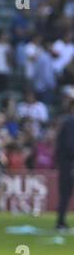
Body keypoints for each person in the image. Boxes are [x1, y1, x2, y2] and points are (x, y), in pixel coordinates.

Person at [55, 92, 74, 233]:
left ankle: (61, 222)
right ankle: (60, 222)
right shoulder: (70, 123)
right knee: (65, 194)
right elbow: (69, 145)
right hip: (69, 164)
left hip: (66, 163)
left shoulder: (66, 123)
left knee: (65, 194)